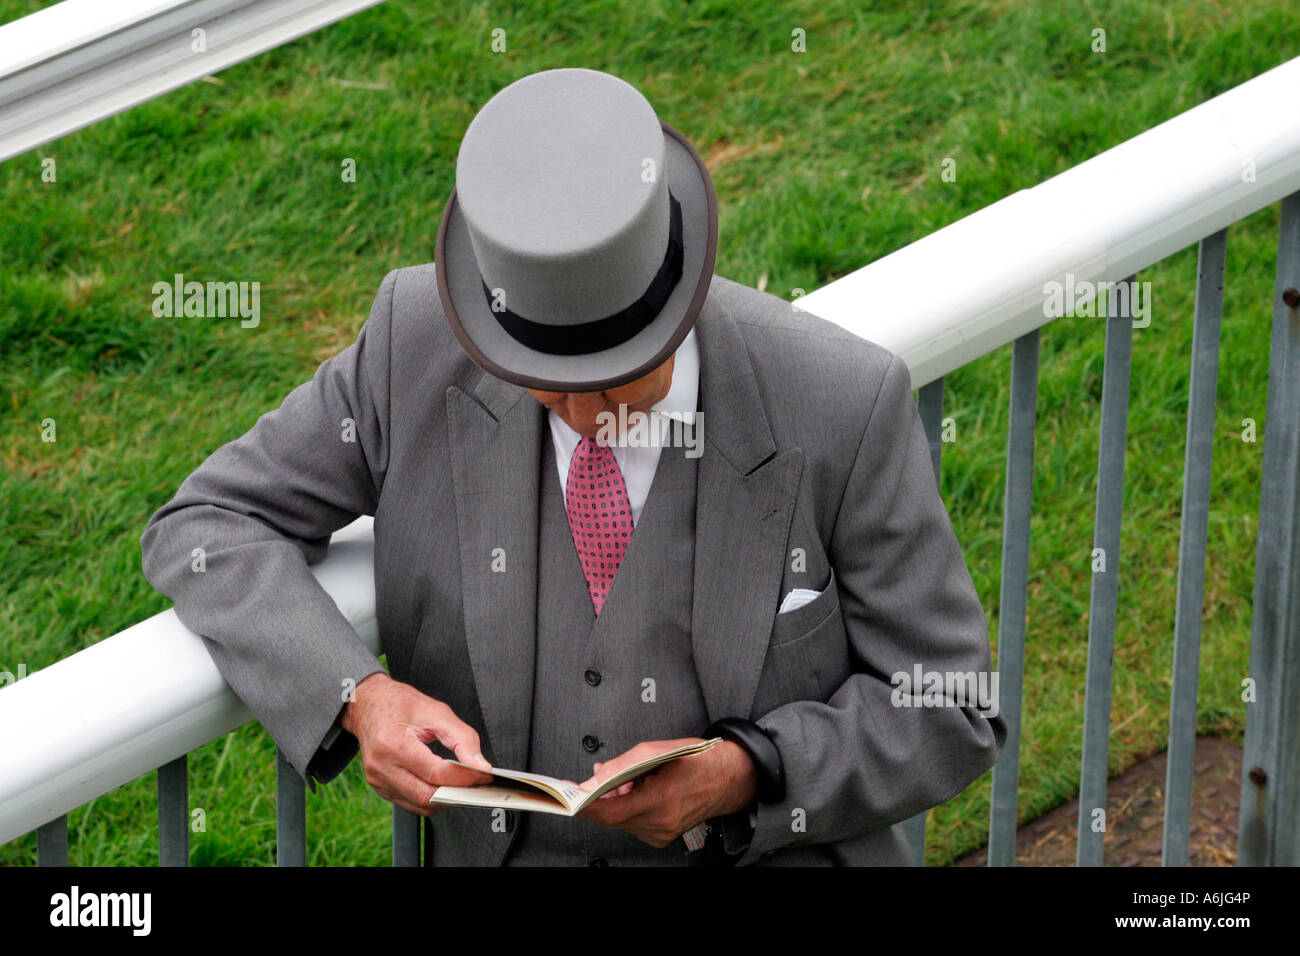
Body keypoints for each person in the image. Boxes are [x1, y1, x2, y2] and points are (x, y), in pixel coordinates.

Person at [140, 67, 1005, 866]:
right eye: (551, 389)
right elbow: (207, 525)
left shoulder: (841, 401)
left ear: (684, 294)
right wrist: (358, 695)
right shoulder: (410, 344)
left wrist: (753, 769)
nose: (593, 419)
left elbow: (954, 707)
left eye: (623, 377)